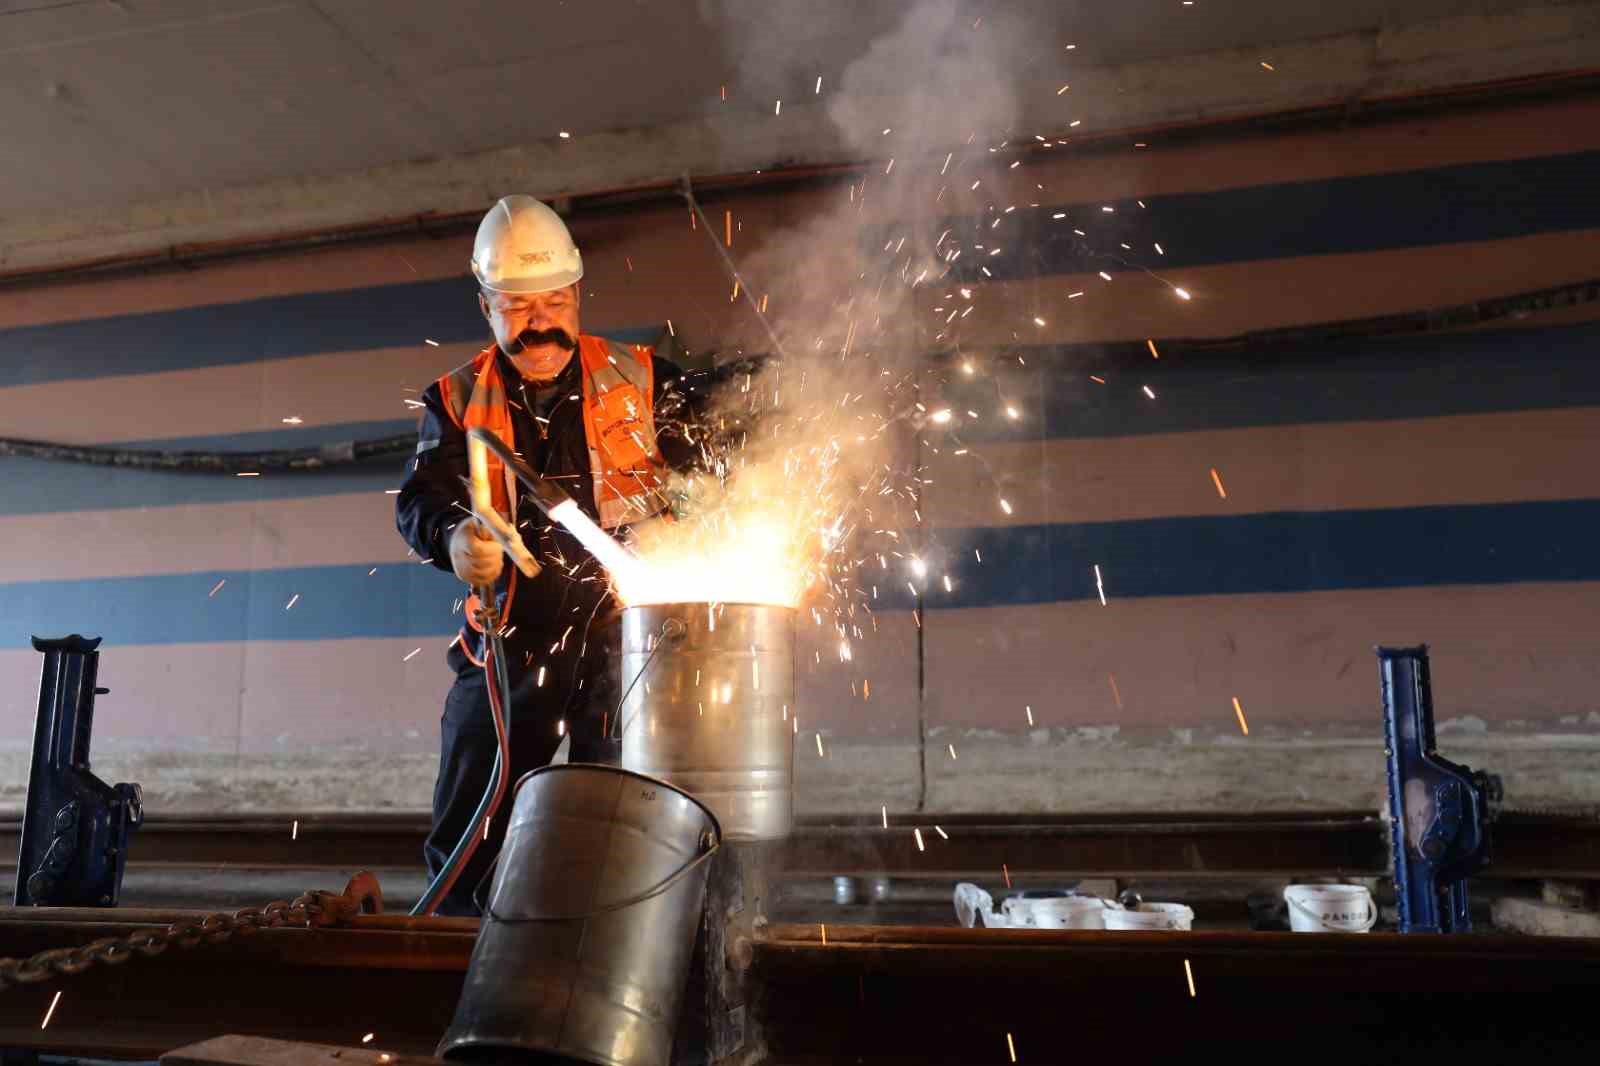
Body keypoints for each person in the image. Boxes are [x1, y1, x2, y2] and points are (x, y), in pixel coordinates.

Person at [396, 195, 695, 915]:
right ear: (487, 306)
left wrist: (687, 525)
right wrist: (453, 537)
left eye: (556, 300)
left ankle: (612, 939)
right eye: (520, 305)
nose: (541, 321)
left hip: (624, 633)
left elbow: (708, 470)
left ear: (578, 294)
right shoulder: (457, 395)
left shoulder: (644, 377)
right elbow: (420, 500)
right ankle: (463, 941)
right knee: (478, 798)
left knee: (620, 809)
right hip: (509, 633)